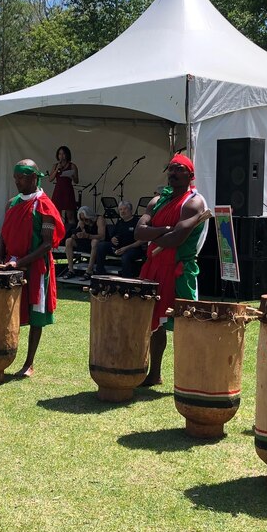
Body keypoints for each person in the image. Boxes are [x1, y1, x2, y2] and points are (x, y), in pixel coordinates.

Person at [137, 153, 212, 386]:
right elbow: (138, 232)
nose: (173, 173)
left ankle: (191, 376)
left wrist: (157, 231)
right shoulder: (157, 200)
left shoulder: (194, 202)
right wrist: (166, 228)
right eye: (170, 169)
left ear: (190, 175)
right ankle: (154, 373)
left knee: (186, 323)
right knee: (154, 323)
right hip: (153, 266)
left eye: (179, 169)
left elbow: (176, 239)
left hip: (180, 269)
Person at [0, 159, 65, 378]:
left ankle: (29, 363)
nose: (17, 181)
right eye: (16, 176)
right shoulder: (12, 203)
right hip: (11, 266)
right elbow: (3, 235)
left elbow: (47, 244)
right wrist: (0, 260)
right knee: (8, 312)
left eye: (22, 177)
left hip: (36, 268)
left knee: (36, 315)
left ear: (35, 177)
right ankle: (2, 356)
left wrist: (21, 262)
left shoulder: (44, 206)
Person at [92, 200, 144, 277]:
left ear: (131, 210)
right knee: (101, 246)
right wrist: (113, 239)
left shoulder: (137, 222)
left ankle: (126, 279)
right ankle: (100, 273)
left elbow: (141, 241)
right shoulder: (120, 222)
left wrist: (125, 248)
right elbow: (112, 236)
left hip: (133, 249)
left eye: (125, 209)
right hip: (118, 248)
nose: (122, 211)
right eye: (120, 209)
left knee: (126, 257)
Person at [62, 206, 104, 280]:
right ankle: (71, 270)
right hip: (85, 242)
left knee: (94, 242)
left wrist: (88, 236)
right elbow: (75, 235)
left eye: (86, 219)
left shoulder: (99, 219)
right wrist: (76, 234)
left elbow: (102, 236)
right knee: (69, 241)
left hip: (97, 243)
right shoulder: (81, 222)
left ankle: (89, 270)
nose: (85, 221)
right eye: (82, 219)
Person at [50, 145, 79, 224]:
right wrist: (56, 170)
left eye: (63, 154)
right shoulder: (55, 165)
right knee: (57, 214)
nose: (61, 156)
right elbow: (50, 179)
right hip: (58, 189)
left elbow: (76, 181)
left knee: (70, 214)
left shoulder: (72, 166)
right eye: (59, 154)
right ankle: (58, 233)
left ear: (67, 155)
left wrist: (72, 176)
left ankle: (70, 232)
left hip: (68, 190)